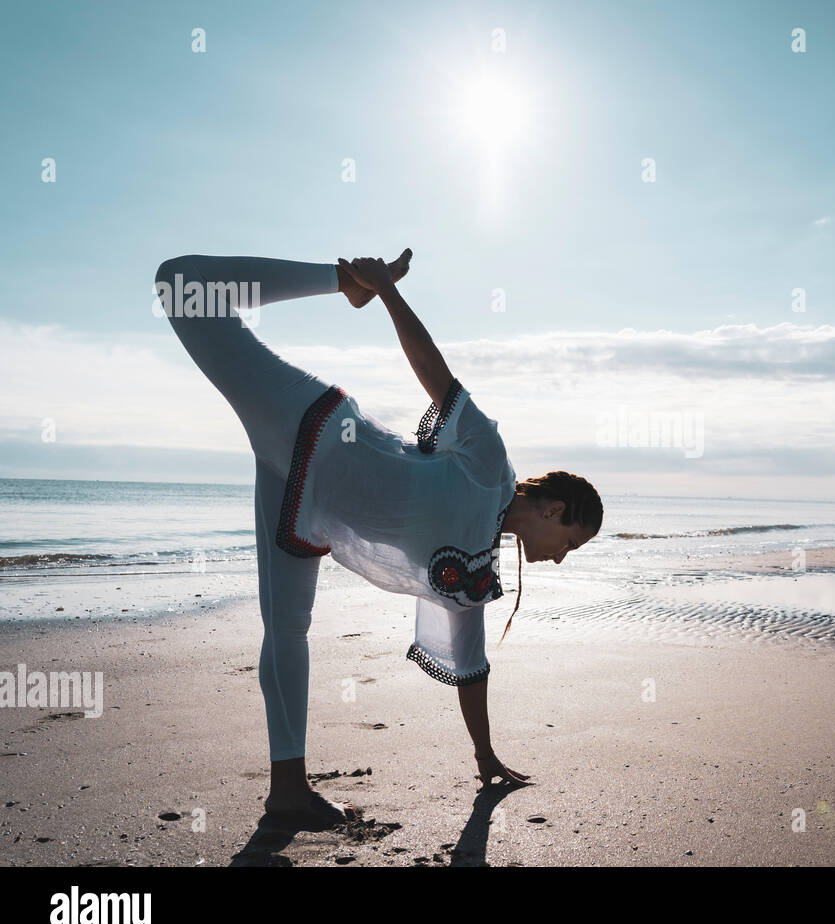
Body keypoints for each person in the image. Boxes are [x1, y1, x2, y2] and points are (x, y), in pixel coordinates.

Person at [153, 251, 603, 827]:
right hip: (309, 427)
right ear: (555, 508)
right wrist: (383, 289)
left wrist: (485, 756)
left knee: (286, 630)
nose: (561, 559)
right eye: (571, 542)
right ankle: (341, 281)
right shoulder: (487, 460)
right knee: (183, 285)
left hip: (302, 507)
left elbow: (471, 664)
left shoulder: (475, 575)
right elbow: (434, 372)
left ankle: (287, 788)